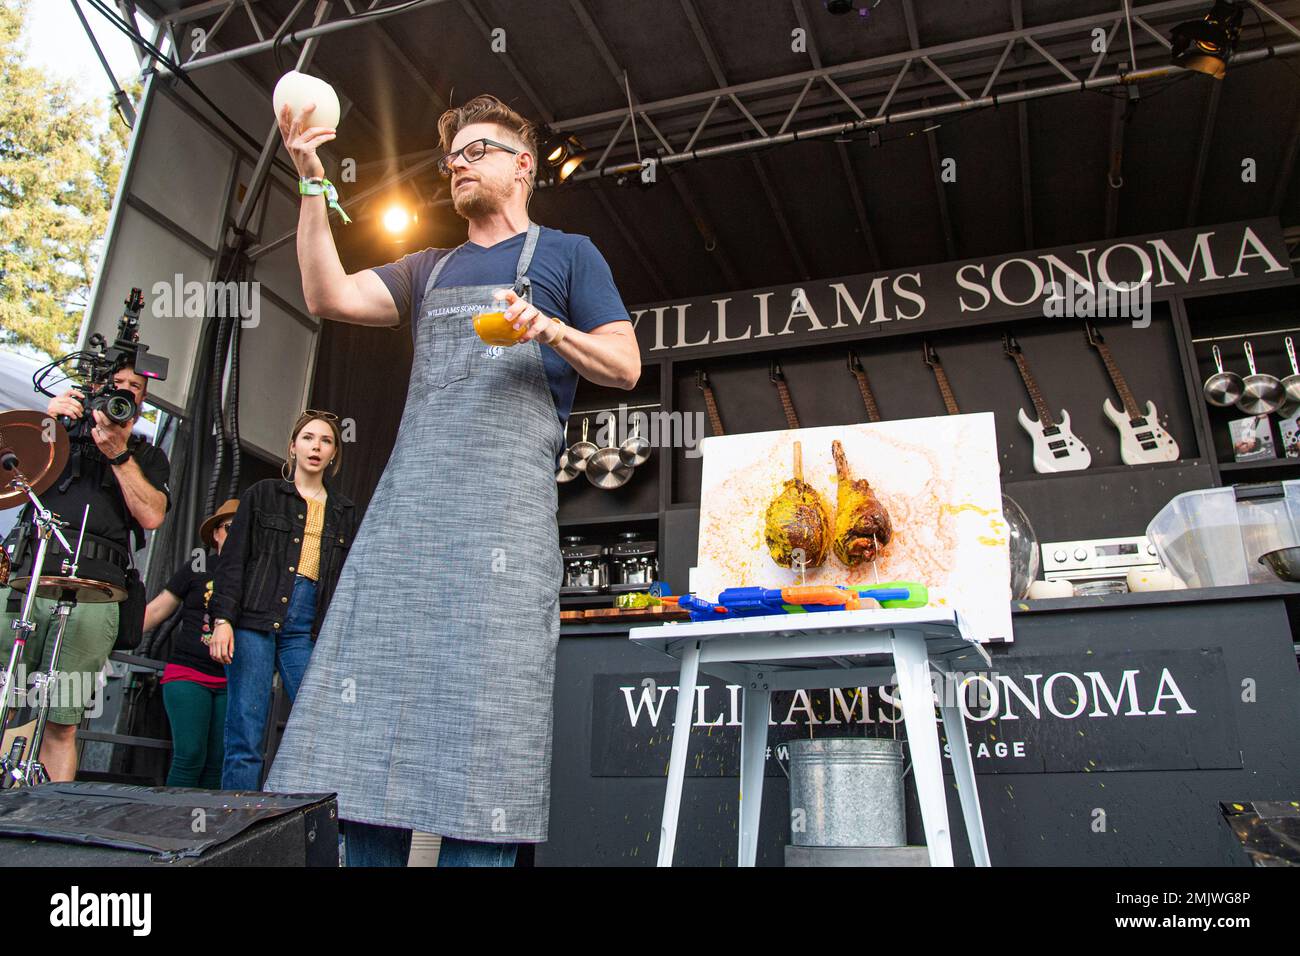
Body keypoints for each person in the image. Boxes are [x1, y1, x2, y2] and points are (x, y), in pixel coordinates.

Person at [268, 93, 641, 866]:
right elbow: (326, 294)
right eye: (452, 157)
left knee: (485, 751)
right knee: (367, 748)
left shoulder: (569, 256)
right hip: (404, 533)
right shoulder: (427, 268)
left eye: (477, 150)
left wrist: (551, 327)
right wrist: (309, 178)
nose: (459, 165)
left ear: (523, 165)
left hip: (501, 536)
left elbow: (626, 364)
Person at [0, 365, 170, 782]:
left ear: (141, 403)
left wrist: (118, 453)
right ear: (94, 388)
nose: (125, 393)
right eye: (118, 385)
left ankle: (48, 826)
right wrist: (47, 423)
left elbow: (151, 515)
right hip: (27, 577)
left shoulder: (147, 456)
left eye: (135, 389)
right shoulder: (57, 432)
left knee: (62, 720)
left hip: (96, 592)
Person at [207, 411, 357, 791]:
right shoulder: (262, 495)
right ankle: (233, 827)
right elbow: (233, 561)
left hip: (305, 629)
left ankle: (314, 825)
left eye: (325, 441)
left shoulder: (344, 511)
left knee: (321, 722)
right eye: (308, 438)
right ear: (293, 447)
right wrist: (222, 620)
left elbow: (347, 580)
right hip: (254, 619)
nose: (316, 446)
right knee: (247, 730)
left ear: (334, 453)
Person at [142, 499, 238, 788]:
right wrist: (111, 640)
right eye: (231, 527)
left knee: (217, 761)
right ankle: (170, 826)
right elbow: (158, 609)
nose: (236, 533)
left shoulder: (254, 575)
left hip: (230, 679)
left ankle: (202, 830)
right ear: (216, 534)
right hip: (188, 673)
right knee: (190, 755)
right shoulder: (199, 566)